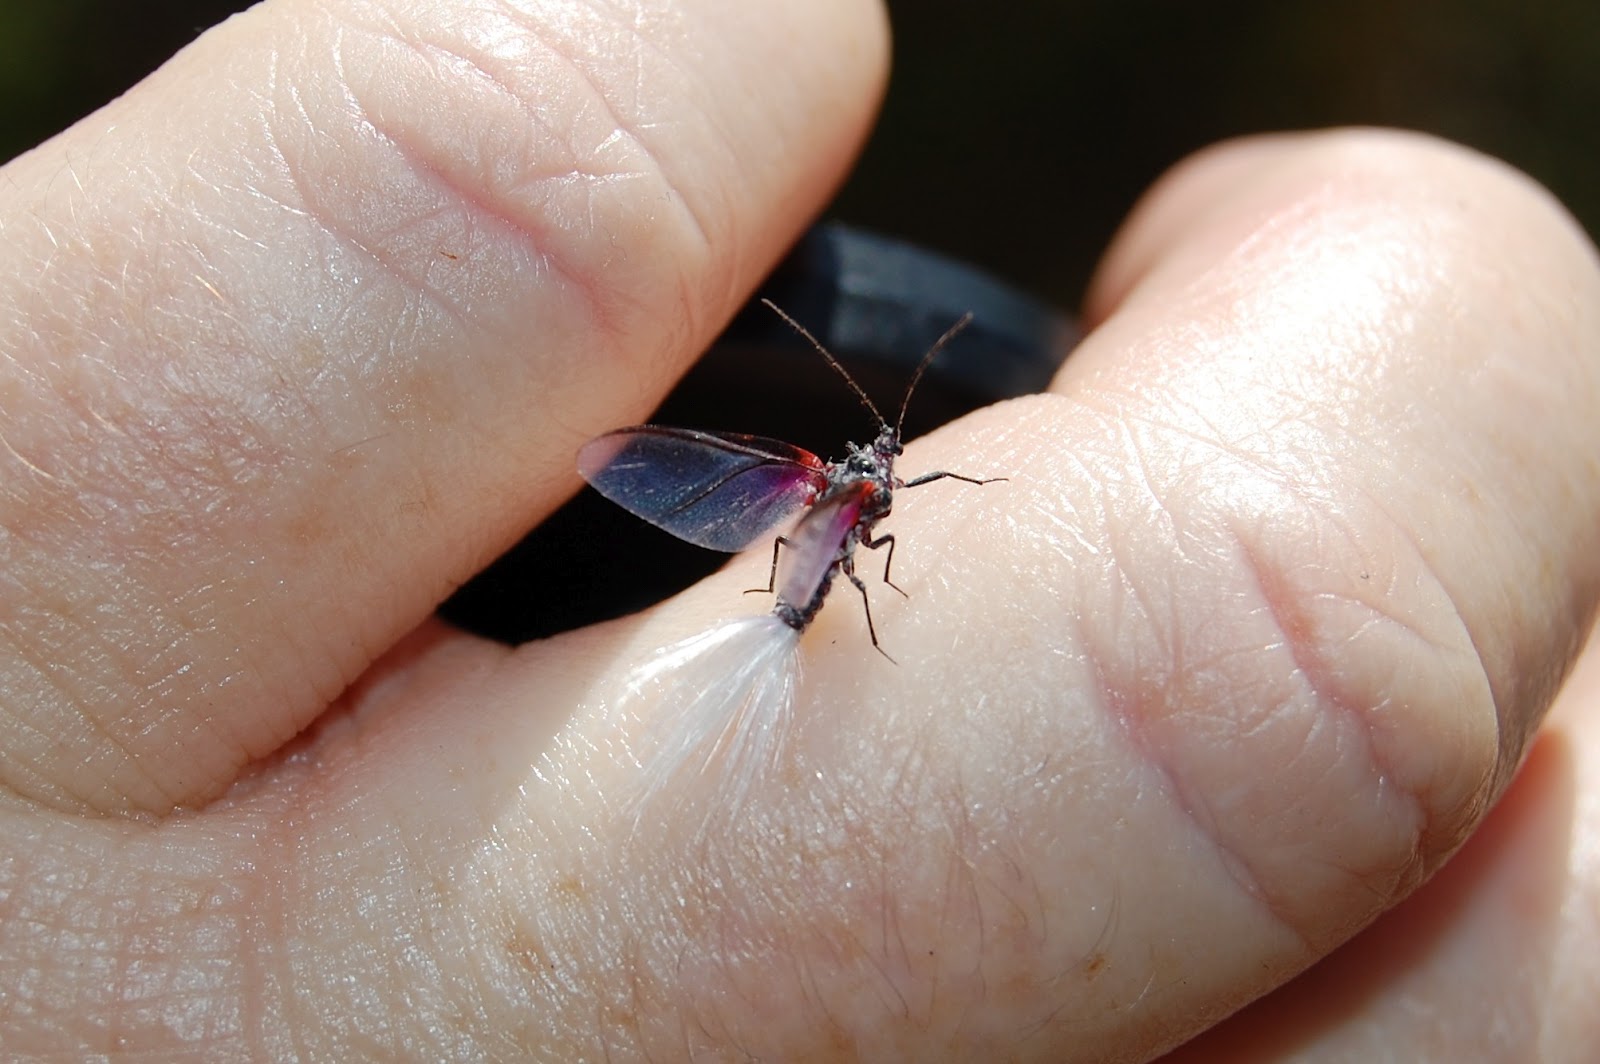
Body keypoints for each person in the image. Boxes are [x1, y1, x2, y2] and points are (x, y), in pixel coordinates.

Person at [2, 2, 1595, 1059]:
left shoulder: (840, 485)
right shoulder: (825, 485)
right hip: (793, 568)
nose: (885, 471)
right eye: (877, 463)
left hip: (799, 564)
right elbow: (847, 513)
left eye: (884, 463)